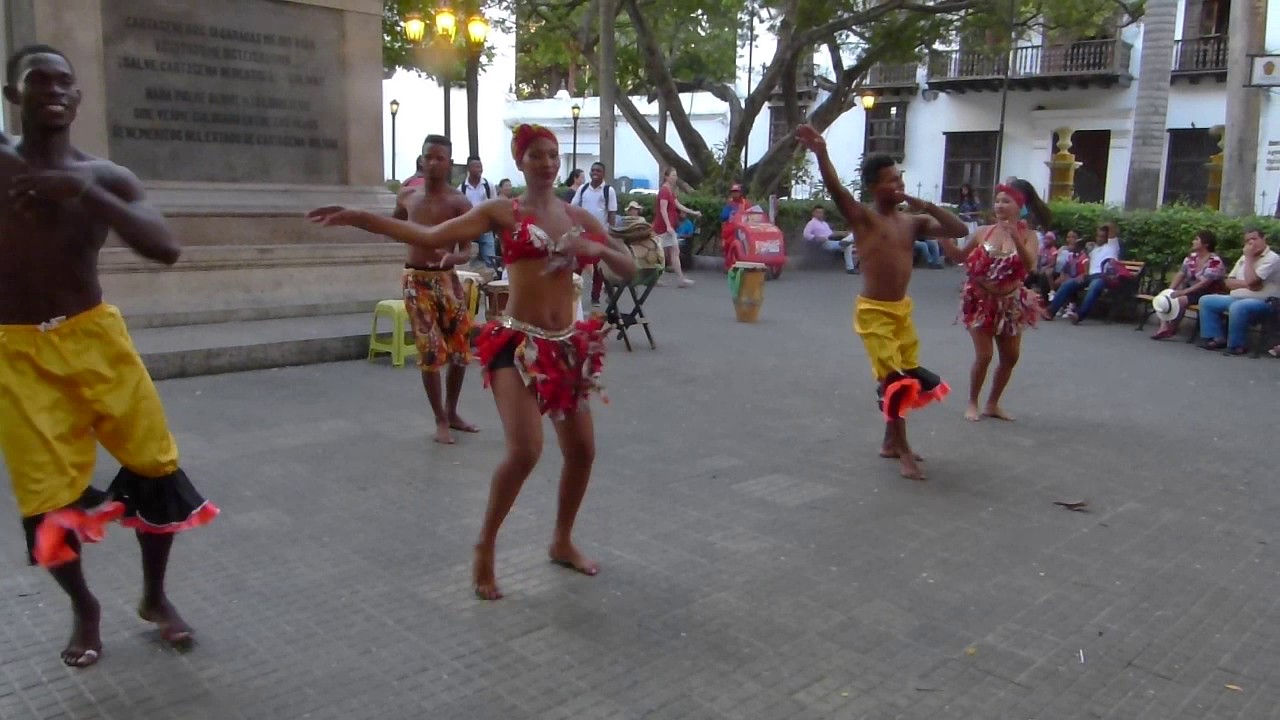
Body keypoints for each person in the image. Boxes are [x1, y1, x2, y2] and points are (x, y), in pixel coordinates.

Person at [309, 124, 636, 600]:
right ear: (519, 160)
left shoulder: (578, 216)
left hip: (566, 346)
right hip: (517, 344)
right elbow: (427, 233)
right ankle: (485, 544)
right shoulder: (503, 211)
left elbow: (630, 267)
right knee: (526, 451)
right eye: (537, 155)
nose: (547, 163)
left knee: (583, 452)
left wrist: (598, 249)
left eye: (553, 155)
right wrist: (364, 217)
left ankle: (562, 540)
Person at [0, 45, 219, 667]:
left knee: (155, 466)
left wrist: (83, 192)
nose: (53, 89)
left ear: (78, 95)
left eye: (64, 81)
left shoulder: (108, 176)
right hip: (15, 351)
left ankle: (154, 597)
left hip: (95, 338)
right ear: (14, 96)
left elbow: (165, 247)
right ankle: (84, 608)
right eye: (35, 80)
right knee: (46, 500)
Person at [796, 124, 969, 480]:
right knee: (894, 380)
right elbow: (836, 190)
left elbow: (959, 231)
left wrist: (929, 206)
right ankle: (902, 449)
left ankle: (890, 442)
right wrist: (822, 153)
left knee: (905, 375)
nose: (899, 186)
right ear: (875, 186)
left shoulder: (913, 222)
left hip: (901, 312)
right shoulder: (865, 218)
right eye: (891, 181)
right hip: (873, 313)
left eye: (900, 179)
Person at [394, 135, 478, 444]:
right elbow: (395, 226)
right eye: (428, 156)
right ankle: (439, 419)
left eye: (439, 158)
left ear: (449, 164)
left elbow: (469, 249)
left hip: (448, 279)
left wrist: (452, 256)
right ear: (421, 159)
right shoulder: (407, 196)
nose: (432, 163)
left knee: (459, 350)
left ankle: (452, 411)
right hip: (416, 281)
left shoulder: (459, 202)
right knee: (430, 350)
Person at [937, 182, 1045, 422]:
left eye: (1006, 201)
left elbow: (1030, 267)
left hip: (1011, 303)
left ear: (1020, 206)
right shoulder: (982, 232)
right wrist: (945, 240)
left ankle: (992, 404)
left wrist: (1016, 237)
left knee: (1010, 357)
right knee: (984, 355)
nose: (999, 205)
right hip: (980, 301)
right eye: (997, 200)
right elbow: (959, 257)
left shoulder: (1029, 236)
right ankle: (972, 402)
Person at [1197, 228, 1280, 355]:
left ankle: (1237, 345)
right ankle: (1216, 338)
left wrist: (1249, 259)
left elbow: (1252, 280)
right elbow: (1229, 282)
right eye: (1247, 241)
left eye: (1254, 239)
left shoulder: (1272, 258)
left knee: (1238, 307)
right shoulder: (1244, 257)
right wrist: (1249, 284)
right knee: (1206, 300)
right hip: (1237, 297)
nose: (1251, 243)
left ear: (1264, 239)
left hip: (1264, 302)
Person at [1150, 230, 1226, 340]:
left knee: (1179, 300)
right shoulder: (1191, 258)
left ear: (1206, 244)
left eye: (1196, 239)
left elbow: (1204, 283)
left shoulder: (1214, 261)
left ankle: (1172, 328)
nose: (1193, 241)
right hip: (1191, 290)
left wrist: (1183, 292)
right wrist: (1169, 291)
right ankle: (1163, 327)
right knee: (1166, 299)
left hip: (1207, 292)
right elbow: (1181, 274)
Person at [1043, 222, 1121, 323]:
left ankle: (1079, 315)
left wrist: (1103, 225)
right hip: (1089, 275)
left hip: (1102, 276)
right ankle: (1050, 311)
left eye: (1102, 236)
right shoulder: (1094, 249)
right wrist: (1084, 274)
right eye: (1098, 236)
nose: (1099, 238)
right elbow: (1084, 261)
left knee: (1094, 287)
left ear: (1107, 237)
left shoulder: (1112, 246)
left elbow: (1112, 228)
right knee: (1068, 284)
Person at [571, 162, 618, 307]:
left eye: (598, 170)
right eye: (592, 170)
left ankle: (595, 297)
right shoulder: (583, 189)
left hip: (600, 234)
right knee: (577, 265)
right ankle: (572, 293)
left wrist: (611, 234)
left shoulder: (608, 191)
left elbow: (611, 213)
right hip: (583, 234)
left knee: (599, 269)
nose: (594, 172)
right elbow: (573, 207)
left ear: (603, 173)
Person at [654, 167, 701, 287]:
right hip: (663, 228)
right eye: (673, 175)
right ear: (666, 176)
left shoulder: (670, 191)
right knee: (665, 253)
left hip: (667, 228)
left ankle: (679, 279)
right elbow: (663, 210)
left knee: (668, 252)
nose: (675, 177)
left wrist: (693, 212)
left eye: (675, 175)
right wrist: (668, 226)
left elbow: (678, 205)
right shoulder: (664, 191)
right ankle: (679, 279)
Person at [459, 156, 497, 268]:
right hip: (469, 230)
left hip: (486, 229)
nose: (479, 169)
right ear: (469, 168)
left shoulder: (488, 186)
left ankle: (493, 282)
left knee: (491, 261)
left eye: (480, 167)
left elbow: (494, 205)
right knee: (468, 262)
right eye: (476, 166)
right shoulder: (461, 189)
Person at [802, 205, 857, 273]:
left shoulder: (824, 223)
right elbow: (806, 234)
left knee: (849, 241)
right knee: (849, 243)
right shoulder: (811, 223)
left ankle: (850, 268)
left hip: (831, 240)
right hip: (822, 243)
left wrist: (843, 233)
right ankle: (846, 243)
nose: (819, 214)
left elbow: (831, 233)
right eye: (817, 212)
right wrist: (817, 238)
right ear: (813, 213)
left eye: (821, 212)